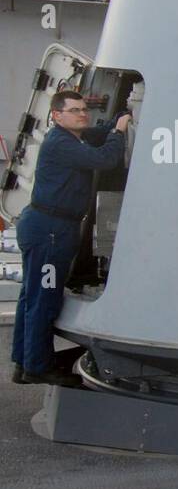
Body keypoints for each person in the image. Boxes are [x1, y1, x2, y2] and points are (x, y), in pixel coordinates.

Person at [10, 92, 129, 386]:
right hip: (51, 230)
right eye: (75, 110)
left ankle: (23, 361)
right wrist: (120, 132)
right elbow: (106, 159)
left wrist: (119, 118)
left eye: (84, 109)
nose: (82, 114)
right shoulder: (62, 144)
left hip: (46, 225)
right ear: (57, 115)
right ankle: (38, 367)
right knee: (44, 300)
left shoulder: (73, 137)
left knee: (31, 296)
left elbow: (95, 132)